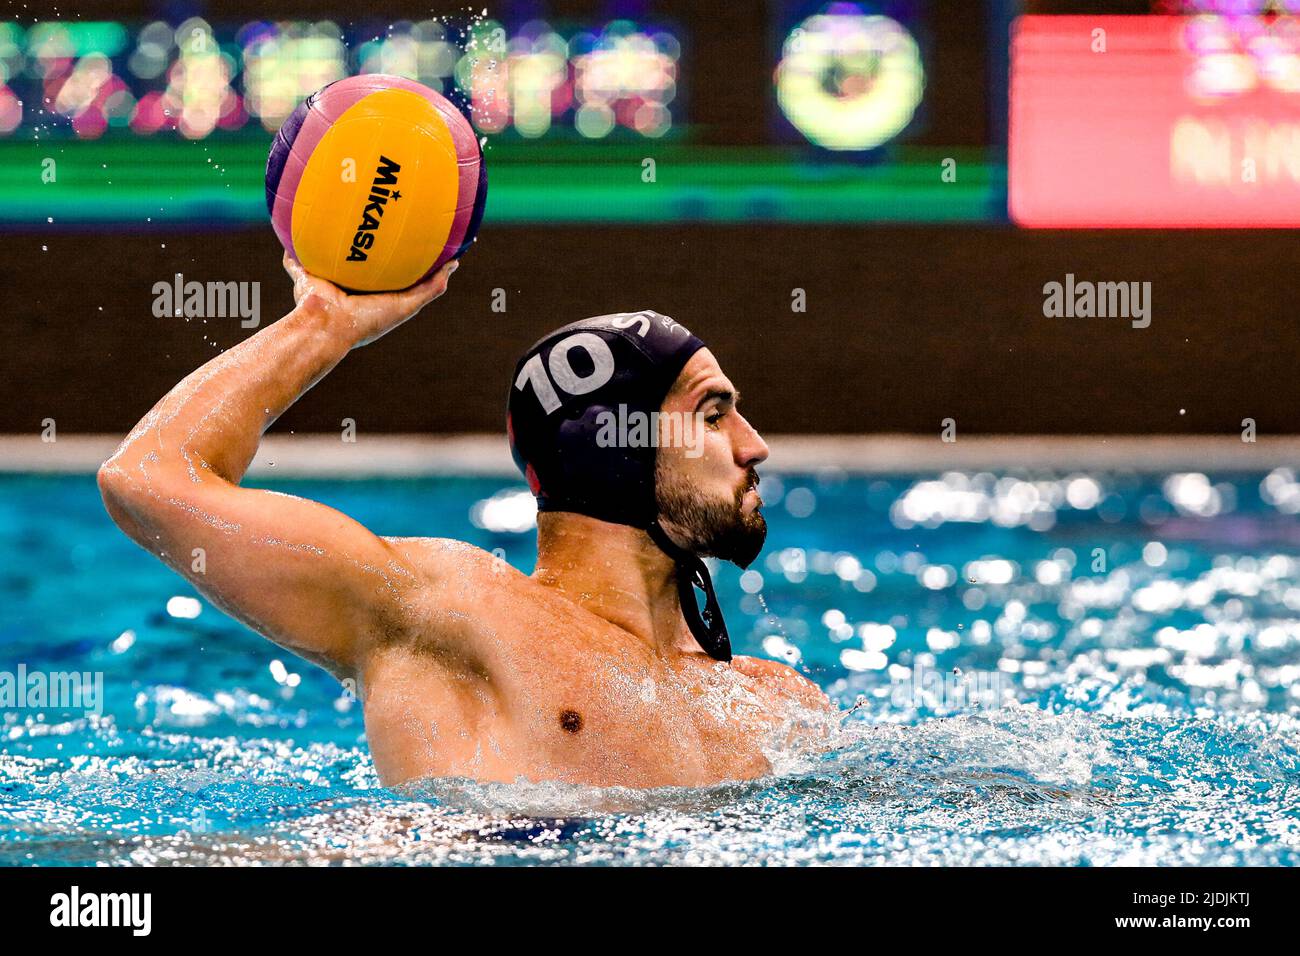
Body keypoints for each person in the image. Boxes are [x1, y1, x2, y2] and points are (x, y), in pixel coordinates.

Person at [98, 256, 832, 789]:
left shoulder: (777, 705)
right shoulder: (446, 607)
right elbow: (149, 479)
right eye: (712, 413)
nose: (752, 444)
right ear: (617, 445)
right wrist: (323, 327)